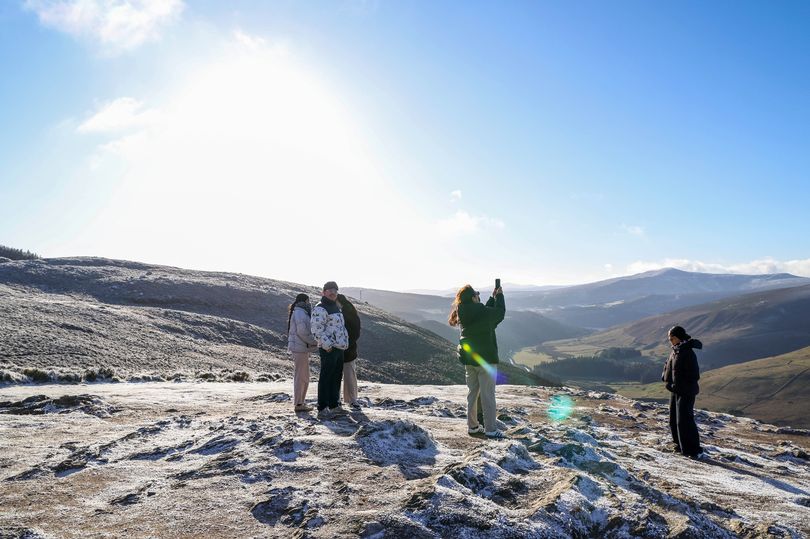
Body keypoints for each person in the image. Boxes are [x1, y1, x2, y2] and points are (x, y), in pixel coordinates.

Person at [449, 283, 506, 439]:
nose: (478, 296)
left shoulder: (462, 312)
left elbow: (483, 313)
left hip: (469, 361)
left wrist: (491, 298)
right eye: (477, 294)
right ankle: (491, 430)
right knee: (488, 395)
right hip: (486, 359)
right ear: (474, 298)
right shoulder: (479, 312)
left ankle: (473, 426)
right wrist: (499, 297)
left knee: (472, 394)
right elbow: (499, 313)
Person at [662, 325, 704, 459]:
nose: (670, 340)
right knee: (674, 420)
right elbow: (668, 366)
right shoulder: (676, 350)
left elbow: (694, 375)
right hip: (675, 390)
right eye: (669, 338)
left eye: (672, 338)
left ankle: (693, 450)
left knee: (685, 420)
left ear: (678, 337)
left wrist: (680, 385)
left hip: (685, 392)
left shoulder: (688, 353)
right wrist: (666, 378)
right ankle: (680, 446)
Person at [311, 281, 350, 418]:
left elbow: (340, 328)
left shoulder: (336, 307)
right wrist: (327, 346)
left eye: (335, 290)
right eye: (330, 290)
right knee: (326, 377)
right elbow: (317, 330)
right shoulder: (320, 308)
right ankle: (322, 408)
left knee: (336, 377)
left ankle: (334, 405)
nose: (333, 292)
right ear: (324, 292)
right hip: (329, 348)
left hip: (339, 348)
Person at [286, 293, 318, 412]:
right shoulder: (300, 312)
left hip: (301, 348)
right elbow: (302, 331)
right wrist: (314, 341)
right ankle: (299, 404)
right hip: (300, 348)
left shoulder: (299, 312)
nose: (309, 303)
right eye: (308, 301)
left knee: (303, 376)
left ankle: (300, 403)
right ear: (305, 301)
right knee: (301, 377)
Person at [337, 293, 362, 408]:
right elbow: (356, 332)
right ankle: (352, 399)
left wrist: (344, 344)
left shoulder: (343, 313)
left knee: (338, 375)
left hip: (344, 349)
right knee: (350, 375)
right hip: (350, 349)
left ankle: (340, 399)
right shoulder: (351, 311)